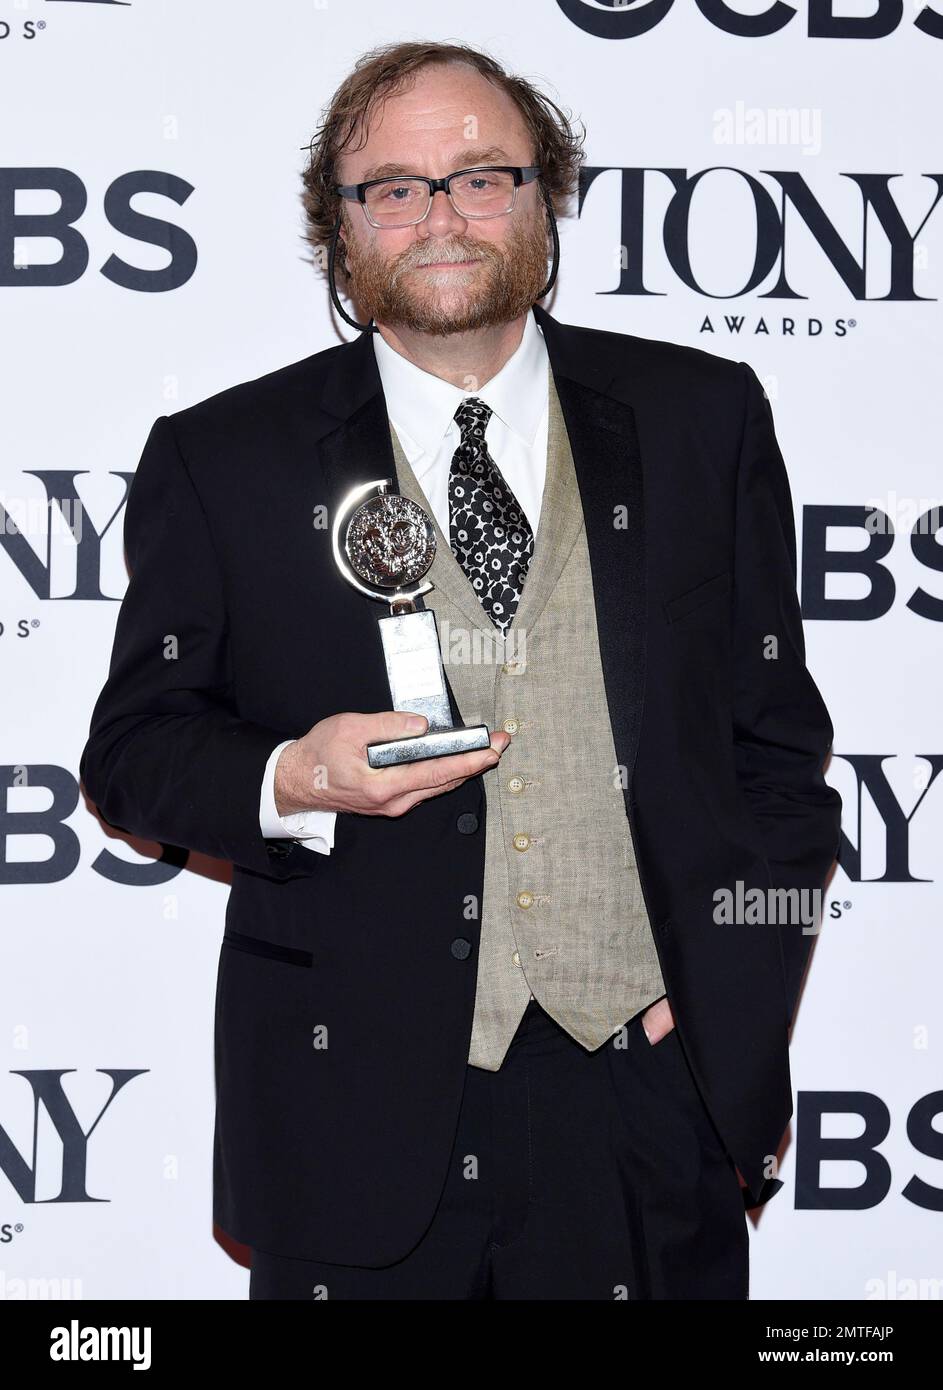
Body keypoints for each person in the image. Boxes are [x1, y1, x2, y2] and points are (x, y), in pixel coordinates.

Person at [79, 39, 842, 1300]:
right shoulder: (226, 456)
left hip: (644, 1101)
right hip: (353, 1105)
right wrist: (290, 775)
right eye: (394, 187)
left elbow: (776, 747)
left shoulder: (703, 419)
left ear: (547, 195)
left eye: (483, 176)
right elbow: (138, 748)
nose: (440, 215)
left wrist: (720, 1014)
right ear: (340, 227)